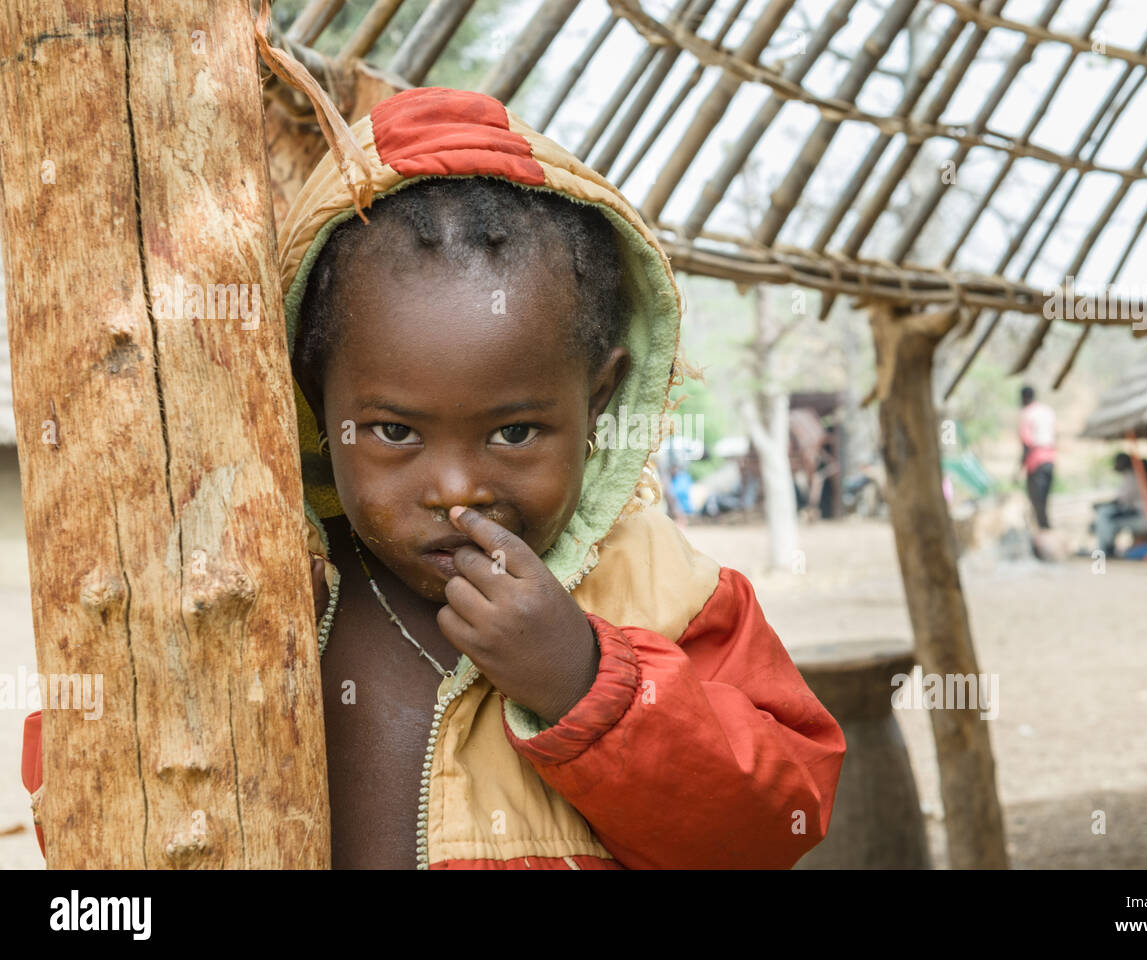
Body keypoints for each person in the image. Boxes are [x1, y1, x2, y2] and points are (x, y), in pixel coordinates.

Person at [20, 87, 844, 869]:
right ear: (312, 397)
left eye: (514, 431)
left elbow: (778, 825)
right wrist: (202, 665)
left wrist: (590, 685)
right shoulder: (255, 588)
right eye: (394, 432)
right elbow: (93, 802)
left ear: (597, 401)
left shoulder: (658, 588)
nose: (457, 488)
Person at [1018, 385, 1057, 529]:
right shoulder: (1047, 411)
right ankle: (1045, 528)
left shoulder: (1027, 413)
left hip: (1036, 461)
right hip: (1050, 459)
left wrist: (1019, 469)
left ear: (1024, 397)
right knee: (1044, 499)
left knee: (1037, 500)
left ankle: (1043, 530)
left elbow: (1027, 444)